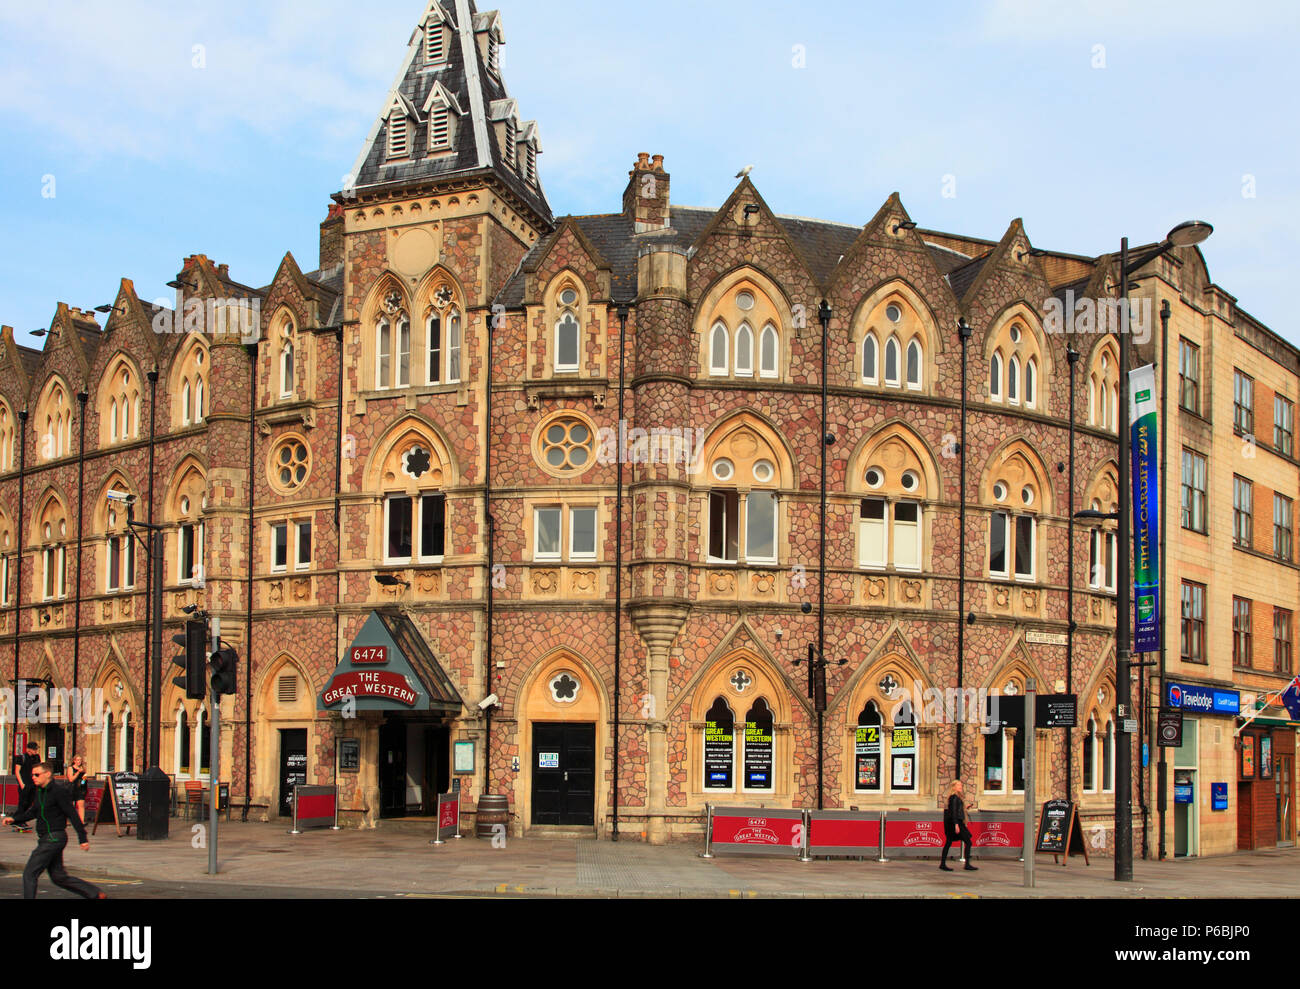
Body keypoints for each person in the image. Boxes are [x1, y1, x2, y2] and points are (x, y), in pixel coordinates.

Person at [2, 762, 105, 899]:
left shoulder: (58, 792)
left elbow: (72, 814)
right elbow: (33, 812)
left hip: (54, 837)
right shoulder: (40, 792)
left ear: (48, 774)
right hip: (47, 838)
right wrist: (14, 819)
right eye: (32, 775)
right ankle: (95, 894)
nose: (33, 777)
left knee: (30, 872)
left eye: (37, 774)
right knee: (58, 877)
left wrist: (83, 838)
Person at [940, 779, 977, 872]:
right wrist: (956, 824)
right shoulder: (954, 798)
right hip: (955, 823)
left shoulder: (956, 797)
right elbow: (954, 812)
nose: (961, 787)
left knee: (949, 842)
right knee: (967, 842)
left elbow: (957, 810)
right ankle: (966, 864)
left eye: (961, 785)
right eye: (959, 785)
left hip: (955, 822)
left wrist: (965, 808)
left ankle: (943, 863)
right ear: (954, 787)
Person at [11, 741, 41, 832]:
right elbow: (17, 771)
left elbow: (38, 769)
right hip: (24, 783)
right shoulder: (21, 757)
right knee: (23, 803)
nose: (36, 751)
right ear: (28, 749)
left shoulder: (36, 757)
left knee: (29, 802)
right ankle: (19, 820)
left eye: (36, 749)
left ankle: (17, 819)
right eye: (34, 749)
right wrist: (21, 783)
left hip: (33, 783)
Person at [63, 754, 88, 824]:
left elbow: (84, 779)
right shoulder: (70, 768)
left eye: (80, 760)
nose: (79, 761)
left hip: (80, 788)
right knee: (70, 805)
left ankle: (81, 821)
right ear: (74, 761)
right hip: (72, 788)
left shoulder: (82, 768)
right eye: (77, 760)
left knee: (81, 804)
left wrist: (84, 779)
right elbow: (71, 779)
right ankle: (67, 820)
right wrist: (78, 772)